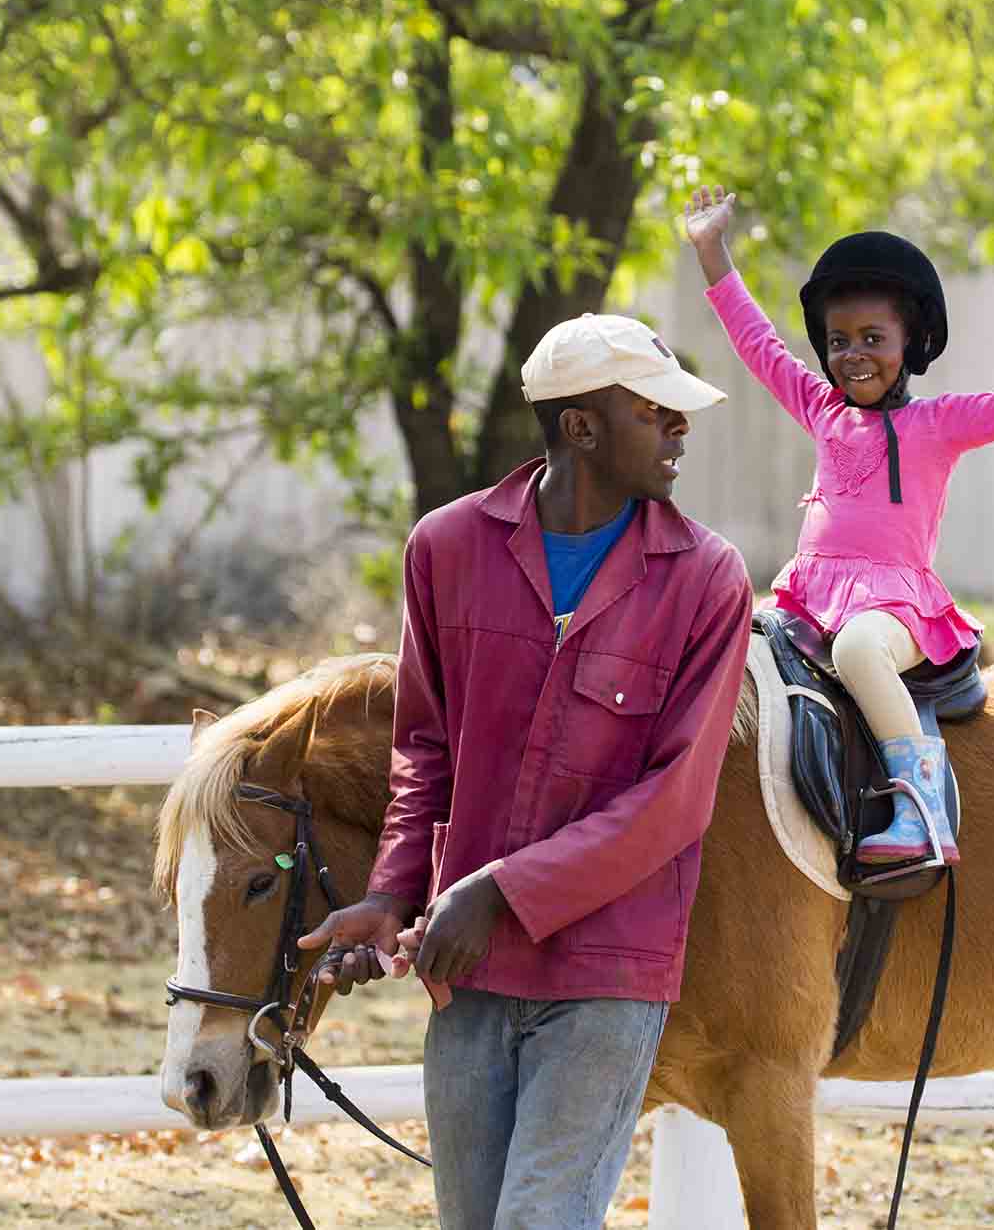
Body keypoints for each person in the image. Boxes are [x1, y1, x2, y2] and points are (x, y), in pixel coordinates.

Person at [297, 311, 755, 1230]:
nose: (681, 429)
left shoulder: (708, 578)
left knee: (541, 1219)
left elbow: (674, 801)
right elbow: (423, 749)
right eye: (654, 411)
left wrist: (498, 891)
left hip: (609, 970)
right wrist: (392, 896)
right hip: (466, 969)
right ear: (580, 427)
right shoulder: (446, 548)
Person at [682, 183, 994, 869]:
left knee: (861, 650)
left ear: (911, 343)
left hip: (894, 609)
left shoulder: (939, 424)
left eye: (872, 339)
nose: (854, 354)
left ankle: (918, 803)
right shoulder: (819, 407)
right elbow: (755, 341)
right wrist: (713, 250)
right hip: (808, 599)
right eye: (839, 341)